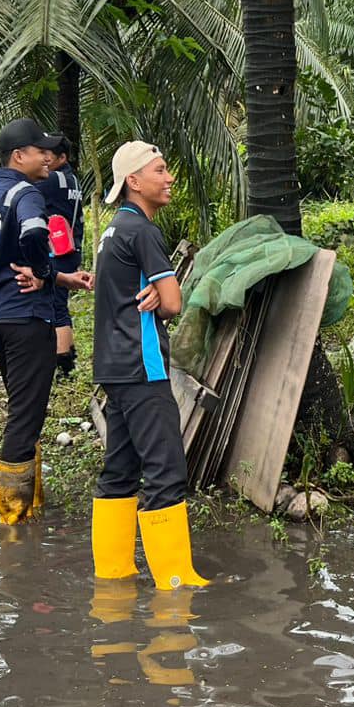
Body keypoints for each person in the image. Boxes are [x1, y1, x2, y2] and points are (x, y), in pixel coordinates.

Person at [91, 140, 208, 590]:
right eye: (160, 170)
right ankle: (176, 581)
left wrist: (156, 295)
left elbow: (122, 293)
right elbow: (175, 303)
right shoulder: (142, 231)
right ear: (134, 182)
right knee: (165, 470)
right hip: (143, 366)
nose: (169, 177)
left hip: (113, 368)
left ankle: (114, 573)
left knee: (119, 469)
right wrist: (163, 298)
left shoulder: (111, 231)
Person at [0, 118, 93, 526]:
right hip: (27, 317)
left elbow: (7, 262)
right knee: (24, 419)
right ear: (18, 156)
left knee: (24, 410)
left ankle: (33, 502)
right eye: (41, 151)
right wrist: (45, 272)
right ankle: (14, 527)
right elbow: (32, 234)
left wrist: (61, 278)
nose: (48, 158)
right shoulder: (26, 193)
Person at [36, 139, 84, 379]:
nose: (44, 159)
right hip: (71, 249)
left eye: (48, 155)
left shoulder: (53, 180)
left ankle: (63, 363)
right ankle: (66, 356)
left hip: (58, 251)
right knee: (60, 303)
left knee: (56, 305)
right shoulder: (73, 180)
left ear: (62, 158)